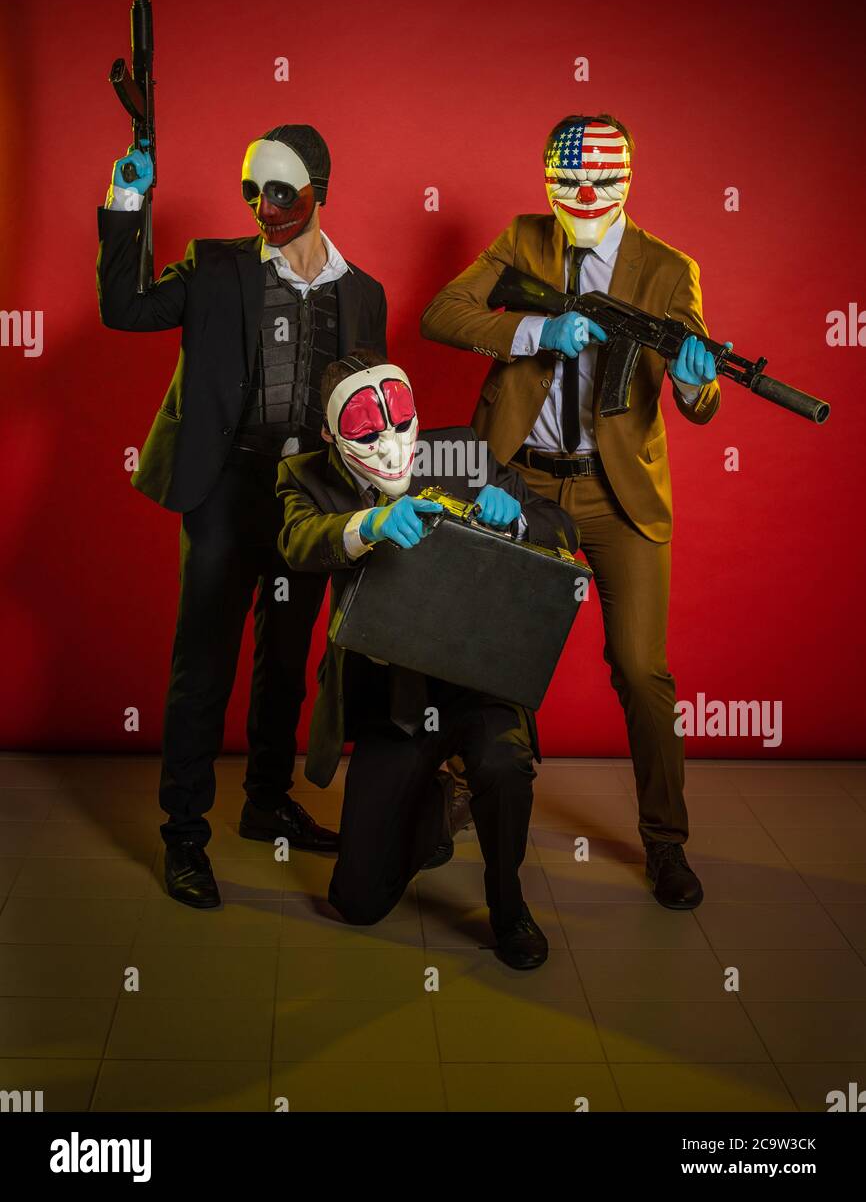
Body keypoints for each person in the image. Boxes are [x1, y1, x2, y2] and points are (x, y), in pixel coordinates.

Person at [421, 113, 733, 911]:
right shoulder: (522, 240)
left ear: (629, 177)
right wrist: (536, 329)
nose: (586, 195)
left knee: (640, 668)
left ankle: (665, 841)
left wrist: (695, 379)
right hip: (518, 479)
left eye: (601, 179)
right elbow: (441, 314)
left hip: (618, 494)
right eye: (569, 180)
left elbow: (701, 402)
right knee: (487, 651)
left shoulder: (669, 269)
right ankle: (460, 792)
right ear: (547, 179)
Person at [96, 124, 387, 908]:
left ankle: (266, 801)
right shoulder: (215, 266)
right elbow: (122, 308)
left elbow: (367, 409)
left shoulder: (364, 294)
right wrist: (128, 198)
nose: (265, 207)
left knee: (285, 661)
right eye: (253, 192)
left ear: (320, 190)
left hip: (308, 497)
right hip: (225, 489)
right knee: (204, 664)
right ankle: (184, 835)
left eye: (281, 191)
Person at [275, 351, 578, 968]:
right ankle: (440, 807)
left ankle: (508, 904)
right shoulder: (305, 475)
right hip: (394, 697)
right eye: (367, 434)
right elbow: (297, 541)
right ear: (330, 435)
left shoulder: (462, 452)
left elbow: (562, 528)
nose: (391, 449)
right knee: (357, 900)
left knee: (503, 764)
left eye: (401, 424)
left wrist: (519, 517)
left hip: (477, 679)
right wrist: (370, 524)